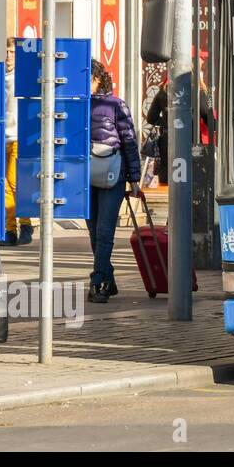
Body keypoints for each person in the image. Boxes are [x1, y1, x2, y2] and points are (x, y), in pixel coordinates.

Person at [87, 60, 141, 304]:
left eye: (90, 77)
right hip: (86, 177)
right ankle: (108, 277)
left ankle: (98, 281)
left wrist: (135, 179)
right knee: (93, 231)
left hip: (113, 175)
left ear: (99, 79)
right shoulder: (76, 105)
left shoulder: (116, 105)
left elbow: (129, 141)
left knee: (104, 230)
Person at [145, 72, 215, 187]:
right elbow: (206, 116)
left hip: (167, 142)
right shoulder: (197, 92)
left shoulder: (163, 92)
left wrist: (165, 123)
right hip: (191, 140)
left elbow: (151, 118)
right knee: (192, 180)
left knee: (168, 183)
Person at [1, 38, 33, 247]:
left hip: (18, 137)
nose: (9, 56)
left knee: (15, 183)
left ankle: (22, 226)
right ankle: (12, 229)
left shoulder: (22, 78)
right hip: (0, 137)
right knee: (5, 184)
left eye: (12, 52)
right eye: (6, 52)